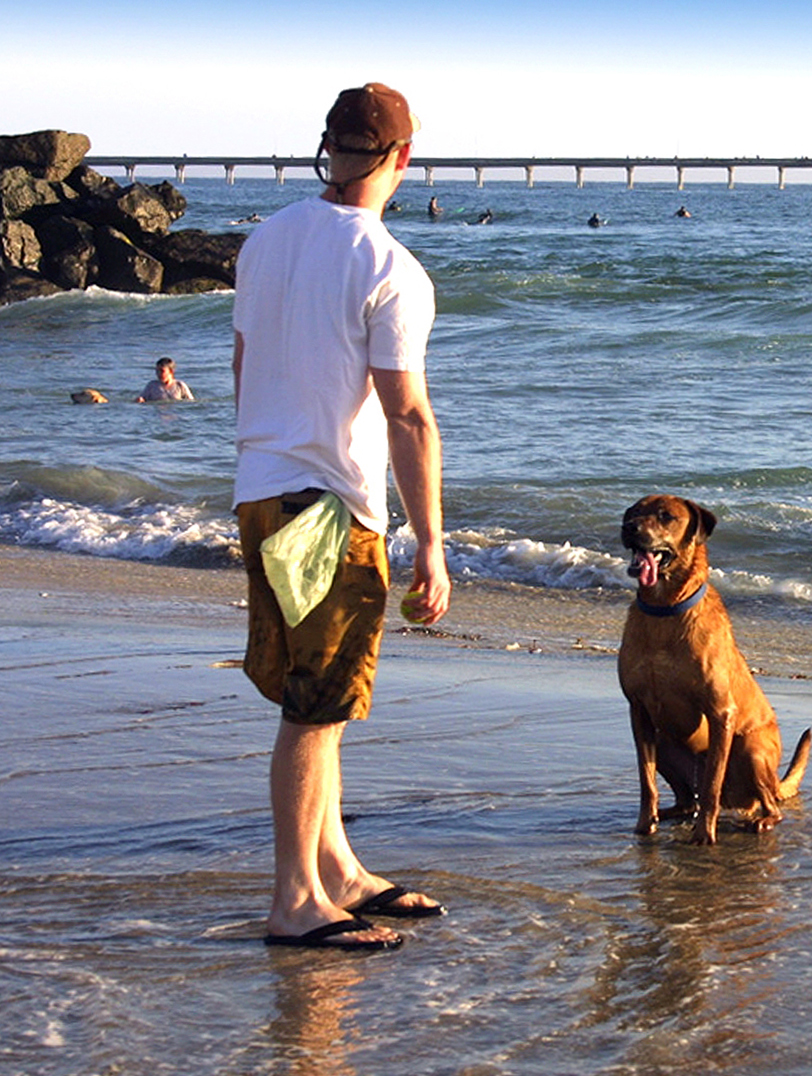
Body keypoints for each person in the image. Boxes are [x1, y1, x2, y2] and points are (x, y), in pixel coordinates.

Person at [232, 82, 451, 951]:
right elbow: (409, 416)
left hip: (263, 488)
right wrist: (432, 543)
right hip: (327, 504)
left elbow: (246, 361)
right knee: (313, 710)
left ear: (328, 149)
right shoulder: (390, 266)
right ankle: (295, 899)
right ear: (403, 159)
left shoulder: (266, 237)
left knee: (320, 697)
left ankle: (337, 870)